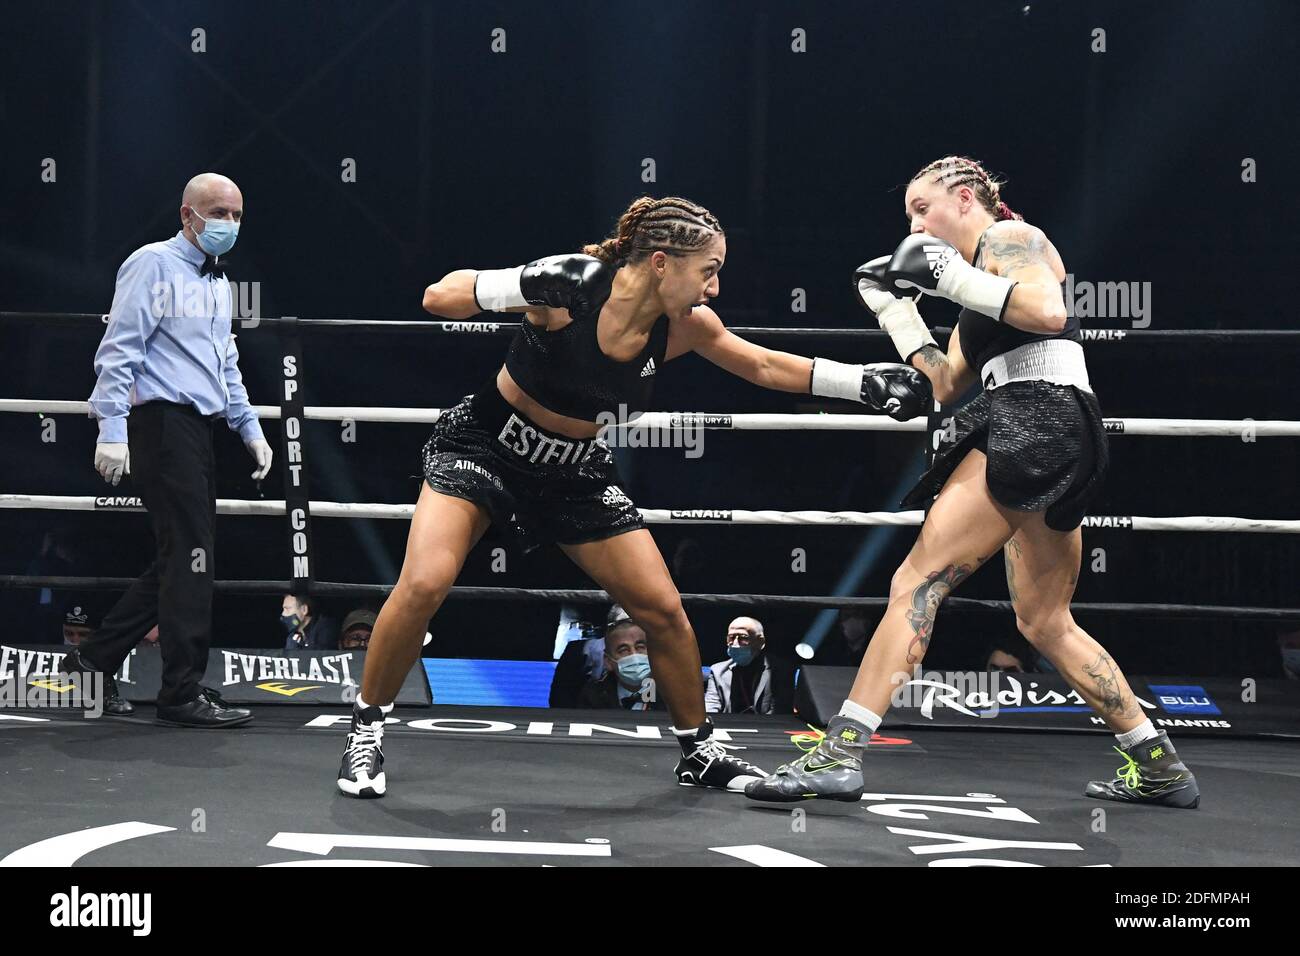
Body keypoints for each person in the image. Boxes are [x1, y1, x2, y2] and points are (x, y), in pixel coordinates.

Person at [336, 195, 932, 798]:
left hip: (574, 471)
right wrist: (518, 283)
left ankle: (699, 750)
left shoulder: (685, 327)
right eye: (709, 269)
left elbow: (763, 366)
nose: (716, 288)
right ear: (660, 263)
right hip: (485, 450)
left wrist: (863, 381)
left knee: (663, 612)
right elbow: (439, 296)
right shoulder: (571, 290)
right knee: (424, 584)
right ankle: (366, 732)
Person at [747, 157, 1199, 810]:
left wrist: (946, 274)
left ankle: (839, 755)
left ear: (964, 198)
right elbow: (945, 384)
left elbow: (1046, 312)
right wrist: (895, 311)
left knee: (917, 582)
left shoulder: (1009, 241)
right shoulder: (976, 288)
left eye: (921, 208)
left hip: (1034, 417)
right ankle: (1158, 763)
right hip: (1062, 428)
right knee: (1044, 620)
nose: (912, 223)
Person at [68, 172, 268, 729]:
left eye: (236, 214)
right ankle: (179, 691)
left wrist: (249, 427)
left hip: (199, 430)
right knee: (189, 558)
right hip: (159, 424)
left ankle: (93, 661)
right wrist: (112, 427)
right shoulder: (151, 264)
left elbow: (225, 361)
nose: (228, 224)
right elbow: (119, 348)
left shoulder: (219, 283)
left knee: (181, 557)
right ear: (188, 215)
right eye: (218, 212)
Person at [576, 616, 665, 711]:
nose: (634, 655)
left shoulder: (672, 694)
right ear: (608, 661)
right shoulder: (593, 695)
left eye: (640, 647)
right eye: (624, 650)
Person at [705, 616, 774, 715]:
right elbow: (710, 708)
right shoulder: (717, 671)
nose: (735, 644)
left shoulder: (779, 671)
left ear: (760, 642)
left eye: (743, 638)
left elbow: (779, 711)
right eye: (731, 638)